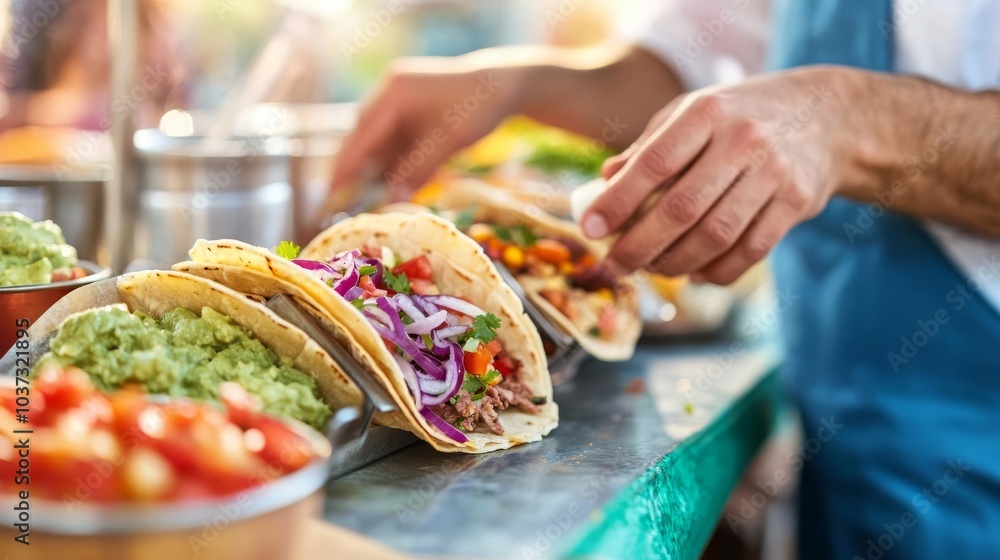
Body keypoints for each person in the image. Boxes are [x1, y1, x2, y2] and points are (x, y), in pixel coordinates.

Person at [331, 1, 1000, 557]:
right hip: (846, 423)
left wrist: (848, 117)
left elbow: (817, 115)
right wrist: (516, 85)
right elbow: (692, 67)